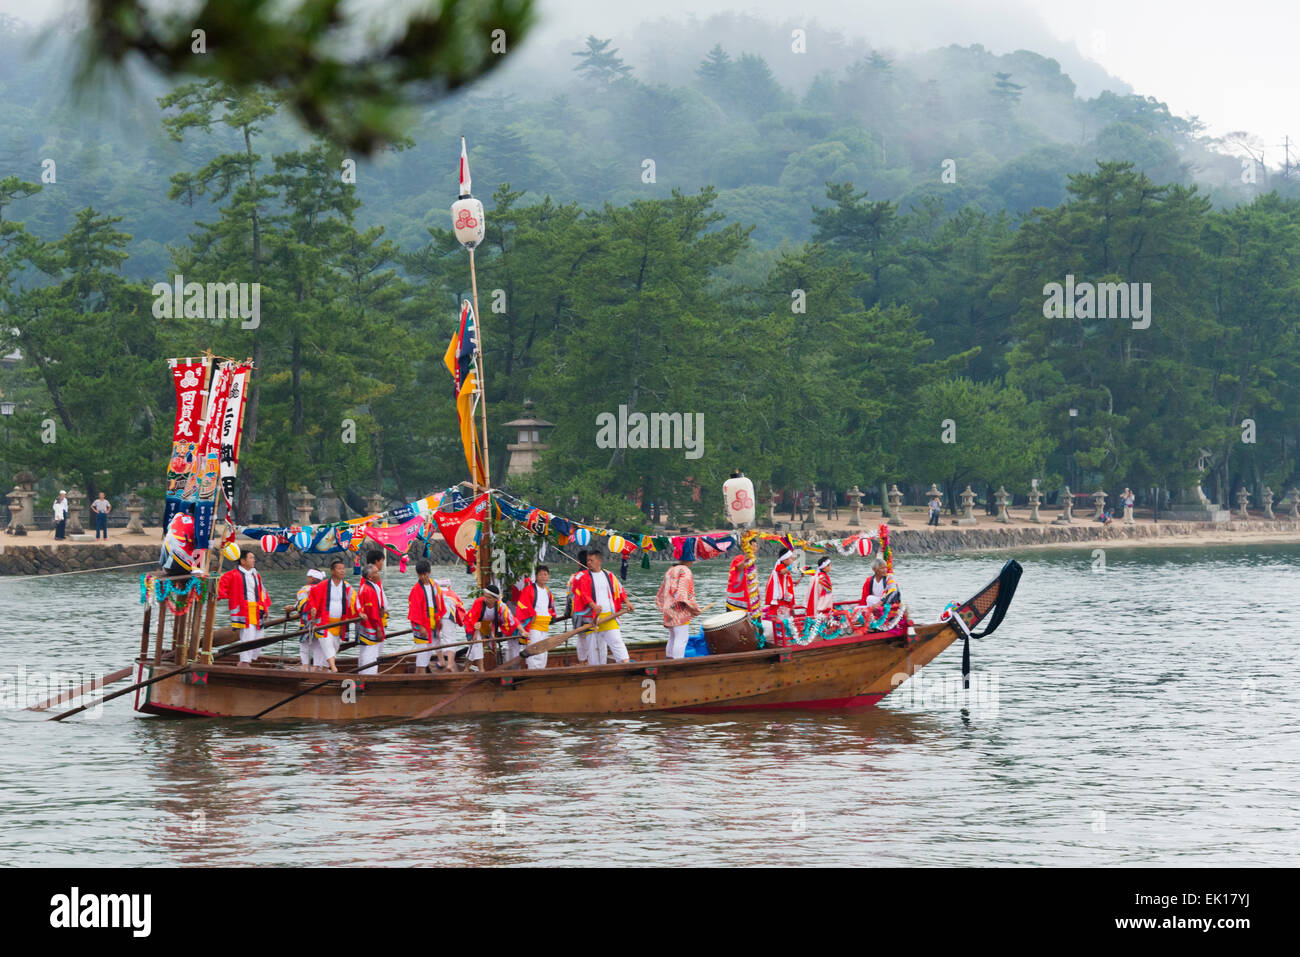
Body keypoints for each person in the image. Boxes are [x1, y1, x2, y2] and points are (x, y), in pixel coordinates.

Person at [571, 550, 633, 664]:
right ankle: (597, 672)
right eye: (588, 560)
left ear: (599, 561)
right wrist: (593, 606)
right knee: (595, 650)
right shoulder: (583, 576)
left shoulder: (609, 575)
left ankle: (626, 664)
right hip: (591, 619)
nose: (588, 563)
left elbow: (619, 589)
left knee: (617, 642)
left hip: (609, 617)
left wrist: (627, 602)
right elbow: (583, 594)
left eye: (591, 560)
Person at [217, 547, 272, 666]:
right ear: (243, 561)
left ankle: (251, 659)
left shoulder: (256, 574)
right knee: (247, 635)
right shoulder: (232, 575)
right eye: (251, 558)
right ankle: (244, 661)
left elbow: (262, 591)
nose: (254, 560)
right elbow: (220, 587)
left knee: (259, 636)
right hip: (243, 609)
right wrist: (220, 596)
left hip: (258, 609)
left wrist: (266, 607)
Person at [303, 557, 359, 672]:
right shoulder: (322, 585)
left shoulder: (347, 587)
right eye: (339, 569)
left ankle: (324, 669)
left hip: (339, 623)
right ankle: (333, 668)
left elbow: (354, 601)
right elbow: (312, 596)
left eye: (343, 569)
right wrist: (313, 608)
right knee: (327, 645)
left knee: (335, 647)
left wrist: (360, 613)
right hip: (324, 623)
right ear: (332, 571)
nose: (342, 571)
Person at [464, 584, 517, 672]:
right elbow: (474, 618)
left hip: (486, 626)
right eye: (485, 596)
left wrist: (494, 634)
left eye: (489, 598)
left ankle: (466, 668)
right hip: (472, 623)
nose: (486, 599)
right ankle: (481, 670)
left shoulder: (501, 606)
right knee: (477, 644)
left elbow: (505, 620)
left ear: (495, 599)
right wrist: (475, 635)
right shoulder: (479, 602)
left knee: (474, 647)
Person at [513, 565, 557, 669]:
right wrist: (531, 614)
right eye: (540, 574)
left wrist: (552, 616)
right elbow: (522, 605)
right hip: (534, 624)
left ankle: (541, 669)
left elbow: (550, 607)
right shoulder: (529, 589)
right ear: (536, 576)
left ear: (548, 577)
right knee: (534, 648)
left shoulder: (548, 591)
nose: (543, 577)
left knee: (544, 649)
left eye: (545, 574)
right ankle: (533, 670)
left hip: (544, 624)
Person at [655, 558, 700, 658]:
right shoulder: (685, 571)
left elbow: (661, 592)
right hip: (679, 610)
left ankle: (670, 659)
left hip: (668, 608)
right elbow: (682, 595)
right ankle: (677, 663)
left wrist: (663, 606)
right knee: (681, 638)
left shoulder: (670, 570)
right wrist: (694, 609)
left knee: (673, 637)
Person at [408, 560, 446, 673]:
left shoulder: (435, 586)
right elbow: (414, 610)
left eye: (425, 574)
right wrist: (420, 626)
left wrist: (440, 619)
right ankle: (420, 675)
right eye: (420, 575)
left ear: (429, 572)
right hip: (421, 623)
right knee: (422, 653)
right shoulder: (415, 589)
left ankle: (420, 675)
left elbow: (440, 603)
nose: (423, 577)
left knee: (429, 651)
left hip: (433, 621)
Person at [287, 568, 325, 669]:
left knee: (304, 645)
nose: (307, 579)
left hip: (307, 620)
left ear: (312, 578)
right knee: (318, 645)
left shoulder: (305, 588)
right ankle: (317, 666)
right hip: (322, 620)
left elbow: (302, 604)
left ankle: (305, 665)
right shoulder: (325, 588)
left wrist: (294, 607)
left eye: (308, 577)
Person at [357, 557, 388, 675]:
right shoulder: (368, 590)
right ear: (370, 577)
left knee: (366, 650)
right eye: (376, 573)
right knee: (370, 652)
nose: (378, 574)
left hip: (369, 624)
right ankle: (368, 676)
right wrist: (378, 628)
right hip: (370, 625)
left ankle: (364, 674)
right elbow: (371, 611)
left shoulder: (370, 586)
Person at [763, 549, 800, 646]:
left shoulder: (785, 567)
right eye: (790, 558)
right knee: (779, 616)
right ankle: (780, 636)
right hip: (779, 598)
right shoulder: (780, 566)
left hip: (785, 597)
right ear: (784, 559)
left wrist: (798, 579)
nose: (792, 560)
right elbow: (783, 571)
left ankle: (785, 634)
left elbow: (787, 580)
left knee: (786, 616)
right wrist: (792, 566)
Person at [435, 579, 470, 671]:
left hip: (436, 616)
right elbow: (460, 608)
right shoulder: (453, 594)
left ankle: (441, 661)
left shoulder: (435, 593)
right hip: (449, 617)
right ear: (448, 586)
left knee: (436, 638)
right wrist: (460, 621)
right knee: (450, 639)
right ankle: (450, 663)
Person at [566, 550, 593, 663]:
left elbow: (569, 597)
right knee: (593, 639)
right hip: (591, 613)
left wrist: (567, 612)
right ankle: (591, 662)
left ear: (578, 562)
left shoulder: (573, 577)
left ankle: (583, 661)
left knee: (582, 639)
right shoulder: (594, 576)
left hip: (577, 615)